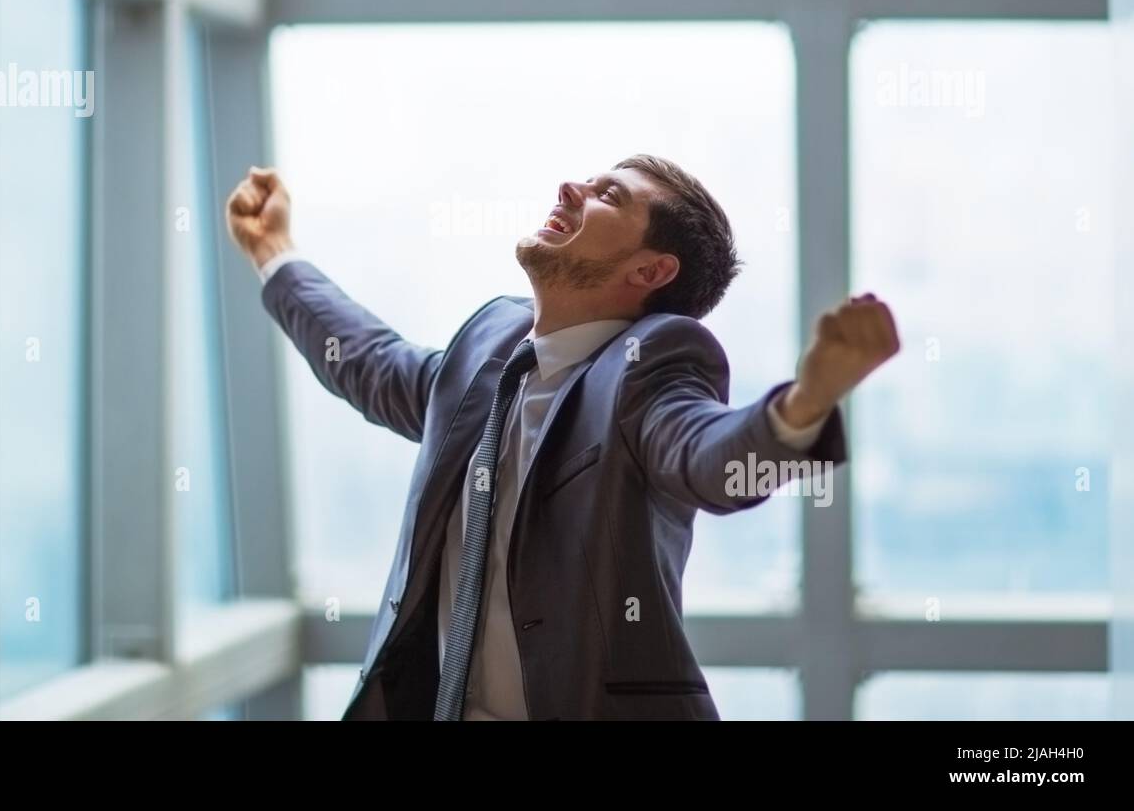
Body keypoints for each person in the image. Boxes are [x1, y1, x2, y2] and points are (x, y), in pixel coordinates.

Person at [226, 154, 899, 720]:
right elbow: (373, 362)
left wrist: (804, 405)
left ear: (649, 271)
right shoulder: (489, 346)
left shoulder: (652, 366)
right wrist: (274, 253)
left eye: (609, 195)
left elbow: (707, 459)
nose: (570, 189)